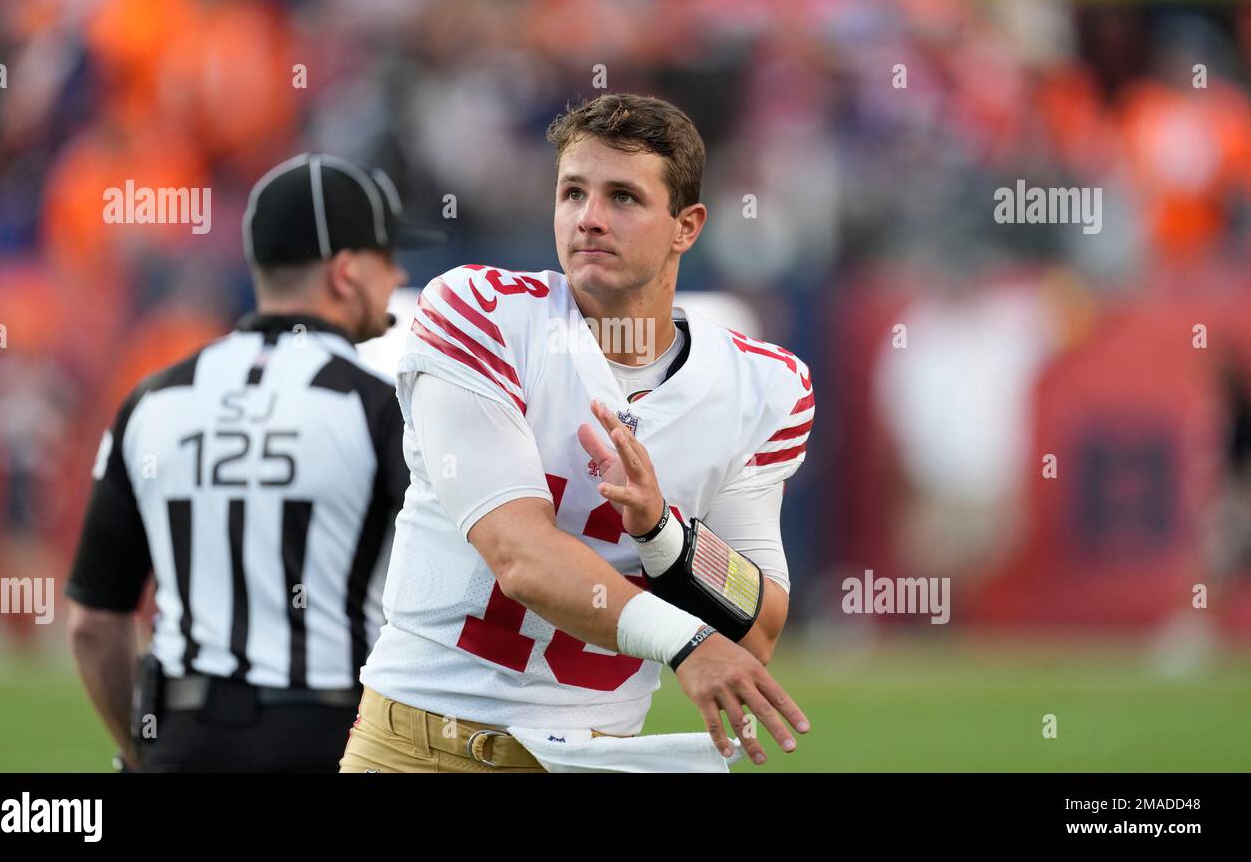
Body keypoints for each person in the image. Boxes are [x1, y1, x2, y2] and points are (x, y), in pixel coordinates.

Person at [341, 94, 813, 773]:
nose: (589, 219)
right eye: (572, 193)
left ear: (687, 226)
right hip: (421, 744)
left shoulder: (764, 386)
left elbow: (758, 626)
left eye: (623, 197)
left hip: (596, 758)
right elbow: (521, 556)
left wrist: (663, 534)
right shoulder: (481, 315)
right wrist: (686, 642)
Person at [65, 153, 443, 771]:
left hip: (184, 736)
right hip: (333, 736)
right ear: (345, 272)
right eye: (386, 256)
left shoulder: (153, 399)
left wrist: (144, 750)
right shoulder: (380, 408)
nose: (396, 273)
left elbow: (92, 623)